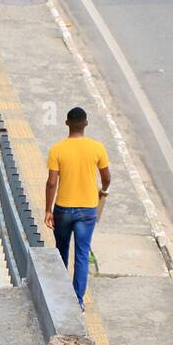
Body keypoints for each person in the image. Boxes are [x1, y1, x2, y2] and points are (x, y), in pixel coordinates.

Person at [45, 107, 111, 310]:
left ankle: (60, 296)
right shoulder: (97, 148)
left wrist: (48, 210)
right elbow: (107, 178)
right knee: (82, 253)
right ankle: (78, 302)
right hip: (87, 209)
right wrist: (103, 191)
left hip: (63, 209)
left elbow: (51, 183)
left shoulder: (57, 149)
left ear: (67, 123)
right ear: (86, 123)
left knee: (61, 251)